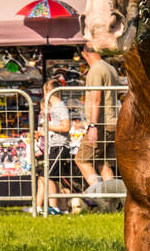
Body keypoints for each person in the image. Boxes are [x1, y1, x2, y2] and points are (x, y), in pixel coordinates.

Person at [74, 45, 120, 187]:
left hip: (101, 124)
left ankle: (99, 194)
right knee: (102, 161)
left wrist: (93, 125)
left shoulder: (95, 70)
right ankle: (112, 200)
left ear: (83, 53)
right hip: (112, 122)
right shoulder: (110, 68)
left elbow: (96, 99)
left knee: (81, 159)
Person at [35, 77, 74, 215]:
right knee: (54, 177)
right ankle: (60, 207)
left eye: (44, 92)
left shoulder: (59, 107)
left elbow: (66, 127)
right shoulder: (54, 109)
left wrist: (48, 127)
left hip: (60, 146)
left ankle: (53, 207)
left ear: (49, 92)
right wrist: (42, 132)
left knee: (48, 175)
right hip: (54, 145)